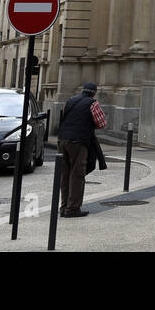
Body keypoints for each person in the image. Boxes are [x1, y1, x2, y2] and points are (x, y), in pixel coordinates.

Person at [56, 81, 107, 218]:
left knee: (65, 174)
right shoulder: (93, 103)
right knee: (77, 174)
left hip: (62, 140)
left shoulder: (70, 100)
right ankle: (73, 209)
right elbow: (101, 123)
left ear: (83, 91)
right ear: (94, 93)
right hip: (78, 141)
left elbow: (64, 116)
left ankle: (63, 206)